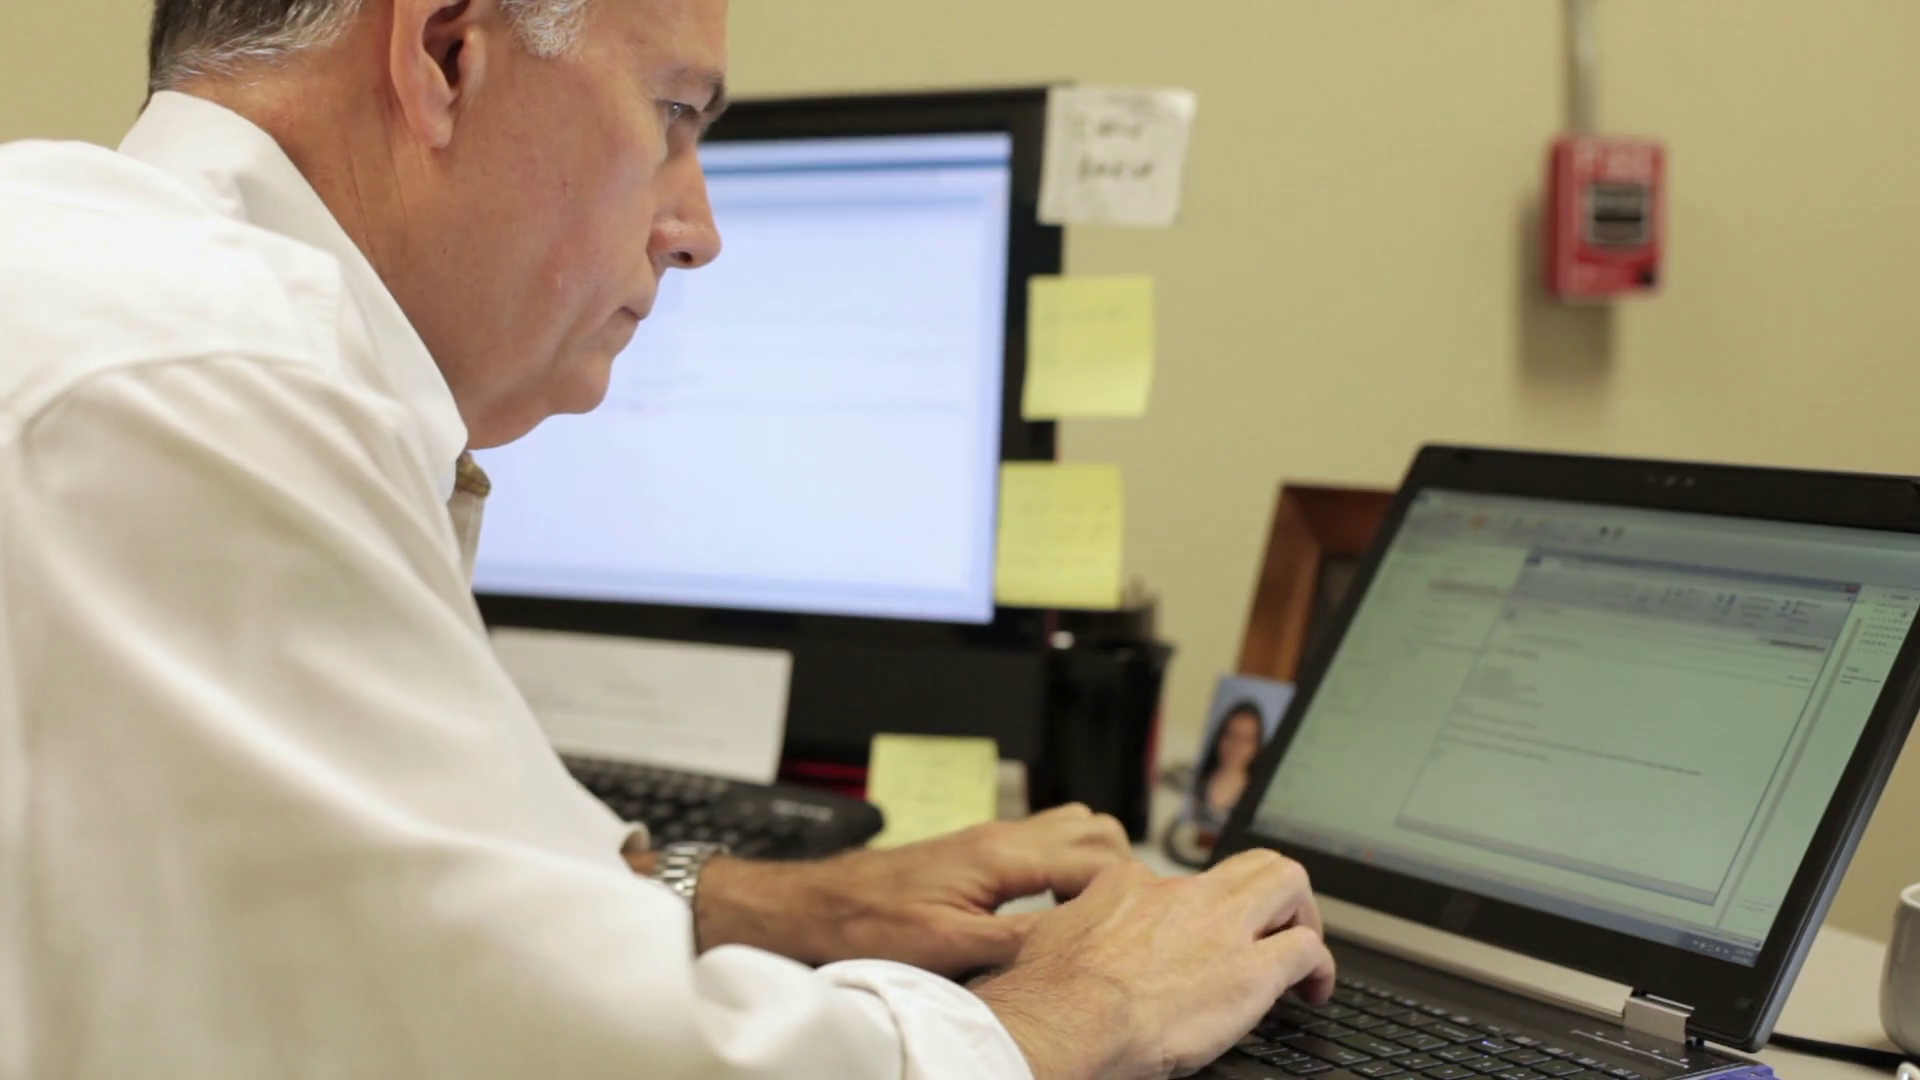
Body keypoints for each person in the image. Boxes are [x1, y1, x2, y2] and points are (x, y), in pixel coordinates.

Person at [0, 1, 1336, 1077]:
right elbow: (521, 1051)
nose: (698, 231)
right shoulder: (194, 386)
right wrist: (1079, 1005)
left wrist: (743, 904)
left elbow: (337, 917)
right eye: (675, 118)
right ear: (446, 54)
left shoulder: (111, 285)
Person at [1196, 701, 1268, 828]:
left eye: (1246, 739)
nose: (1236, 746)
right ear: (1220, 737)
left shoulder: (1259, 803)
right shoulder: (1196, 784)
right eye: (1231, 734)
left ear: (1257, 747)